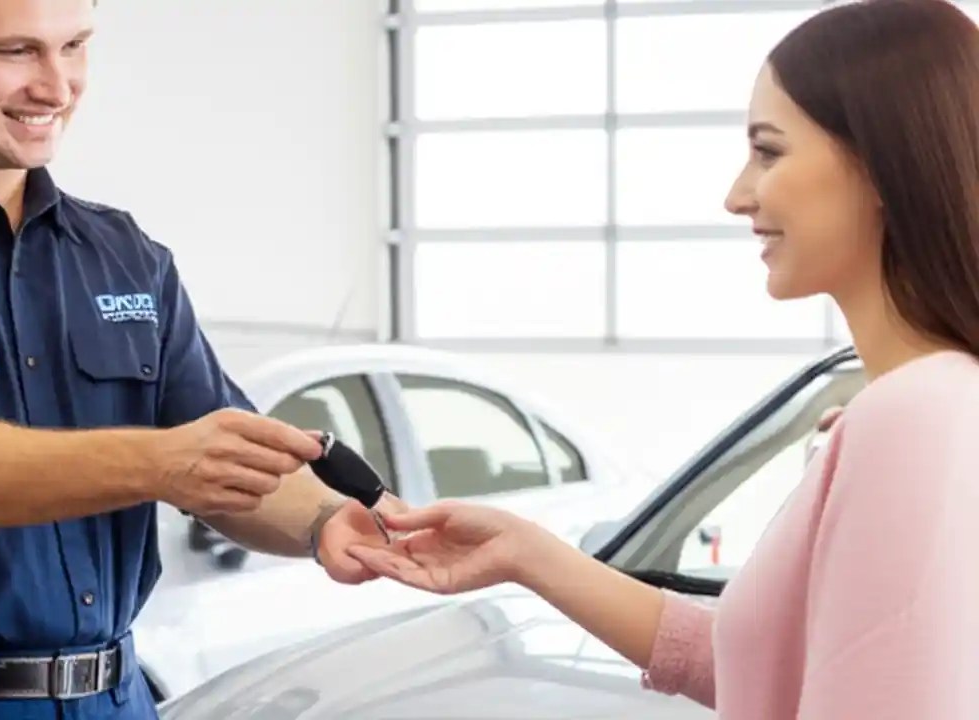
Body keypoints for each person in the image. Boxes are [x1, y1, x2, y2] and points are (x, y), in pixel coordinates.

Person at [0, 1, 402, 718]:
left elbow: (229, 462)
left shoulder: (127, 258)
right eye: (17, 51)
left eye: (75, 46)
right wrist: (161, 462)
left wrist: (329, 522)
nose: (57, 86)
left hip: (114, 697)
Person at [348, 1, 979, 718]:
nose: (737, 196)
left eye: (768, 151)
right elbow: (761, 668)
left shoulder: (916, 418)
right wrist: (527, 554)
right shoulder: (916, 410)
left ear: (879, 165)